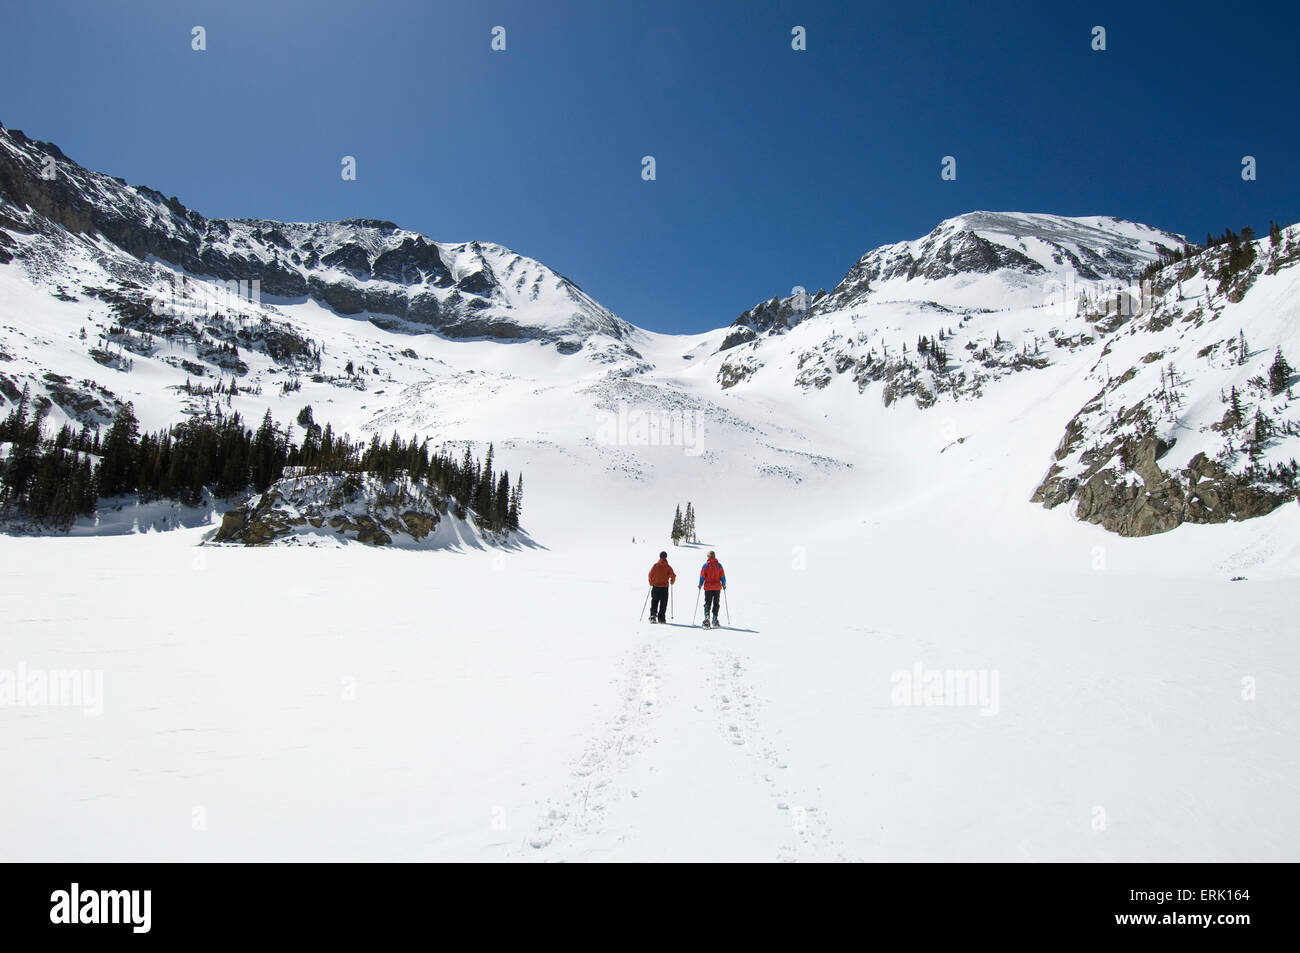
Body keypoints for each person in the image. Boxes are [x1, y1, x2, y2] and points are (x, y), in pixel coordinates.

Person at [698, 551, 726, 628]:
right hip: (717, 587)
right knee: (716, 603)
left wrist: (700, 584)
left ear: (709, 557)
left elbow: (702, 576)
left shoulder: (705, 565)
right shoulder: (719, 565)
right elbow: (722, 576)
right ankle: (715, 618)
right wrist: (724, 584)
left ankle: (707, 619)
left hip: (708, 587)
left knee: (708, 603)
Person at [647, 551, 676, 624]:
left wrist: (651, 582)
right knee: (663, 603)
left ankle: (653, 616)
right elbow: (673, 575)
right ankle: (661, 618)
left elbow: (650, 574)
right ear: (666, 557)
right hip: (664, 588)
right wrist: (672, 581)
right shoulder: (668, 567)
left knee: (654, 601)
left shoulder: (655, 565)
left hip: (655, 587)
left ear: (659, 557)